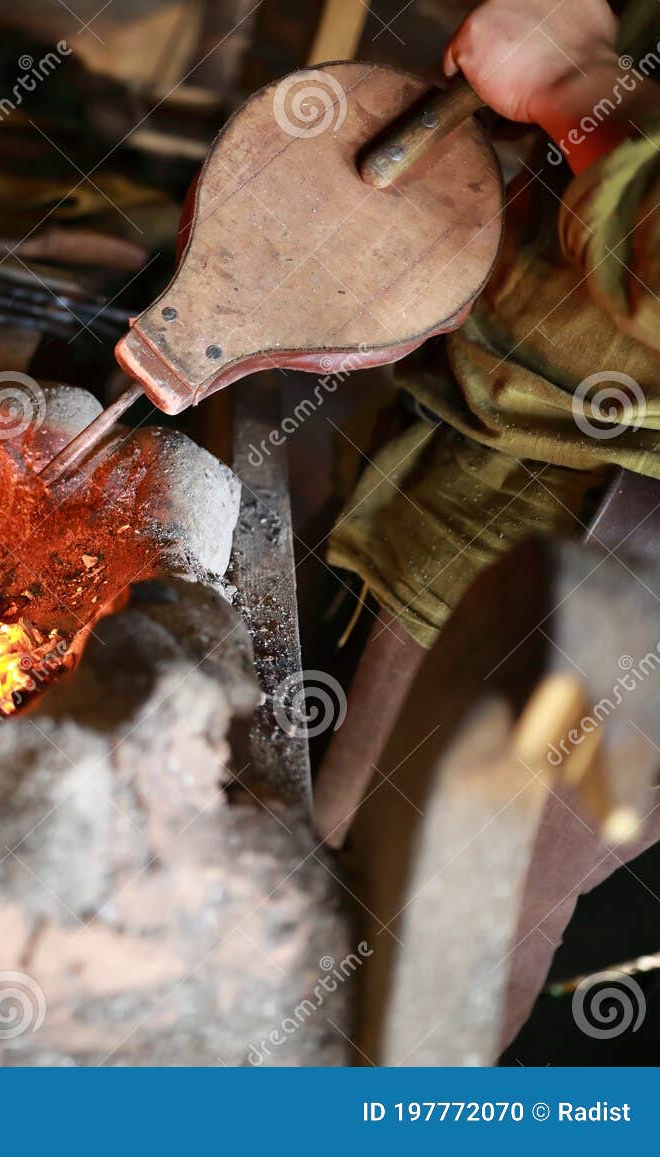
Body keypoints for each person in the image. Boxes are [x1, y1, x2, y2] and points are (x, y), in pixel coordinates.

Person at [321, 0, 660, 1047]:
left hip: (590, 568)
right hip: (487, 503)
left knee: (376, 979)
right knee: (312, 900)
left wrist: (570, 78)